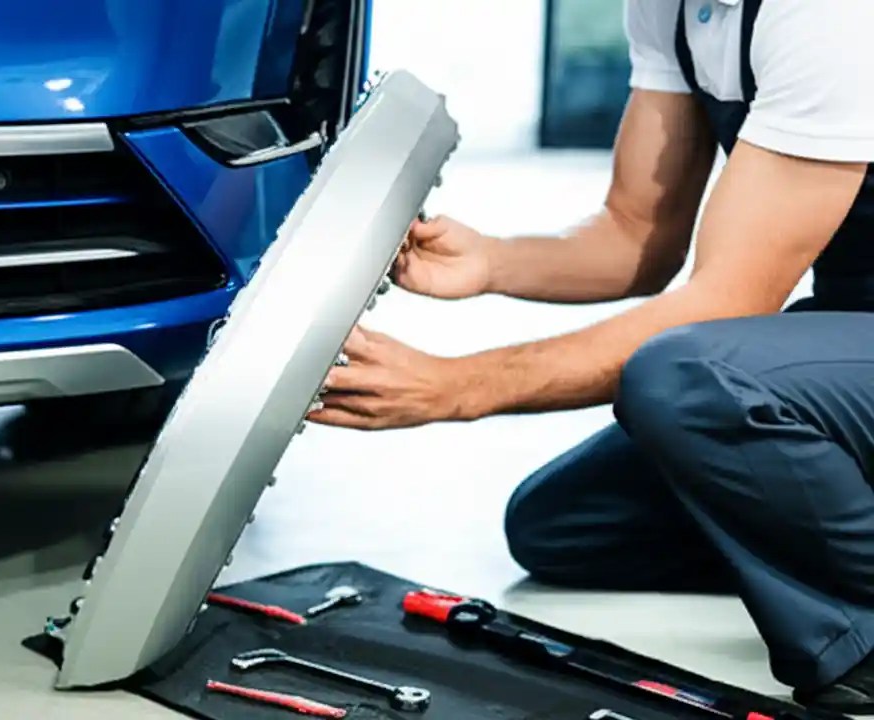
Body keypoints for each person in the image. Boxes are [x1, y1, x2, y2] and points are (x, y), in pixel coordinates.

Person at [308, 0, 874, 713]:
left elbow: (727, 302)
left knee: (689, 379)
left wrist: (458, 387)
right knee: (568, 527)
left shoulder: (828, 14)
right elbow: (635, 232)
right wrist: (489, 261)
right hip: (853, 337)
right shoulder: (672, 10)